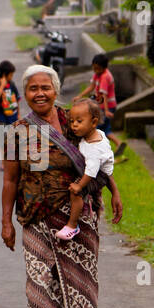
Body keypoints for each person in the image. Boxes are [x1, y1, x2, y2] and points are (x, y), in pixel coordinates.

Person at [1, 64, 123, 308]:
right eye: (33, 88)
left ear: (56, 91)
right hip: (35, 216)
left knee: (79, 276)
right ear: (25, 94)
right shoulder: (18, 132)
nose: (40, 93)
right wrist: (6, 221)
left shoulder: (75, 120)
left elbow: (100, 158)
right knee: (39, 278)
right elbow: (10, 180)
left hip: (78, 215)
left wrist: (114, 191)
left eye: (46, 88)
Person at [56, 98, 115, 241]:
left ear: (93, 122)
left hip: (99, 175)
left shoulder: (93, 148)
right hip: (101, 171)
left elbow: (91, 172)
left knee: (76, 193)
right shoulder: (94, 134)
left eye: (79, 121)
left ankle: (72, 225)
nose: (74, 125)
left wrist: (79, 186)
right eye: (71, 121)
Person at [78, 52, 123, 155]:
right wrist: (80, 95)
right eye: (94, 68)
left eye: (98, 68)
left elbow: (104, 95)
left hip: (107, 106)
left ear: (104, 67)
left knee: (97, 128)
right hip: (102, 107)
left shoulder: (105, 77)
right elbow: (92, 86)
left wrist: (106, 110)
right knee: (105, 129)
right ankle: (117, 143)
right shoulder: (98, 74)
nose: (95, 71)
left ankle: (97, 149)